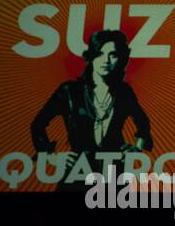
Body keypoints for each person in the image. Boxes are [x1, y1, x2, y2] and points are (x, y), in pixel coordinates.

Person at [30, 29, 153, 191]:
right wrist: (52, 157)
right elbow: (38, 125)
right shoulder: (69, 91)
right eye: (100, 54)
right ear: (92, 56)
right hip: (78, 174)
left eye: (113, 55)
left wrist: (137, 147)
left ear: (121, 59)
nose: (106, 61)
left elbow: (143, 123)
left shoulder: (124, 92)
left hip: (113, 175)